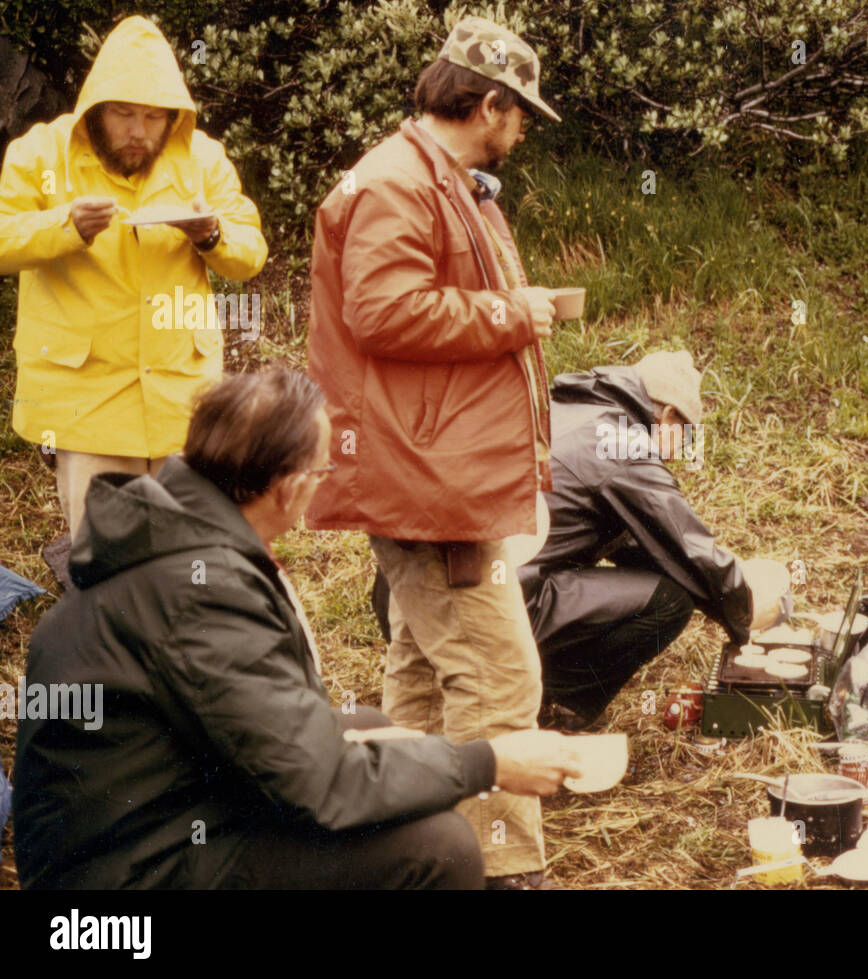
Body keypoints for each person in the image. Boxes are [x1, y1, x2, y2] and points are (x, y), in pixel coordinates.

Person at [13, 370, 580, 889]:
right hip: (117, 882)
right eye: (321, 471)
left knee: (367, 724)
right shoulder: (203, 591)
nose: (320, 484)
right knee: (441, 849)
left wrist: (383, 753)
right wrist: (492, 763)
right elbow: (320, 785)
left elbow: (247, 728)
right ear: (286, 487)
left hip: (146, 821)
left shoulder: (178, 536)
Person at [306, 16, 562, 889]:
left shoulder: (443, 178)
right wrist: (511, 316)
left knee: (419, 671)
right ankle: (498, 869)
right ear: (486, 102)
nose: (522, 129)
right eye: (518, 111)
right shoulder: (398, 184)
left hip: (435, 468)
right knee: (497, 676)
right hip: (426, 473)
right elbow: (380, 310)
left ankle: (389, 855)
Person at [0, 15, 267, 537]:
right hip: (85, 406)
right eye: (123, 113)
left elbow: (250, 253)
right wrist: (64, 226)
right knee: (107, 569)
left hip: (183, 403)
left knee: (189, 561)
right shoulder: (39, 153)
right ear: (96, 107)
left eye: (152, 116)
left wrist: (210, 235)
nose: (138, 132)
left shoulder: (203, 159)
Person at [518, 351, 754, 727]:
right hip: (504, 606)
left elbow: (636, 542)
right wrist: (747, 611)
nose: (680, 453)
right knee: (668, 604)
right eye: (688, 435)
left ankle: (530, 682)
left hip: (452, 584)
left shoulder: (569, 408)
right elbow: (686, 546)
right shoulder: (623, 443)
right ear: (670, 416)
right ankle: (561, 700)